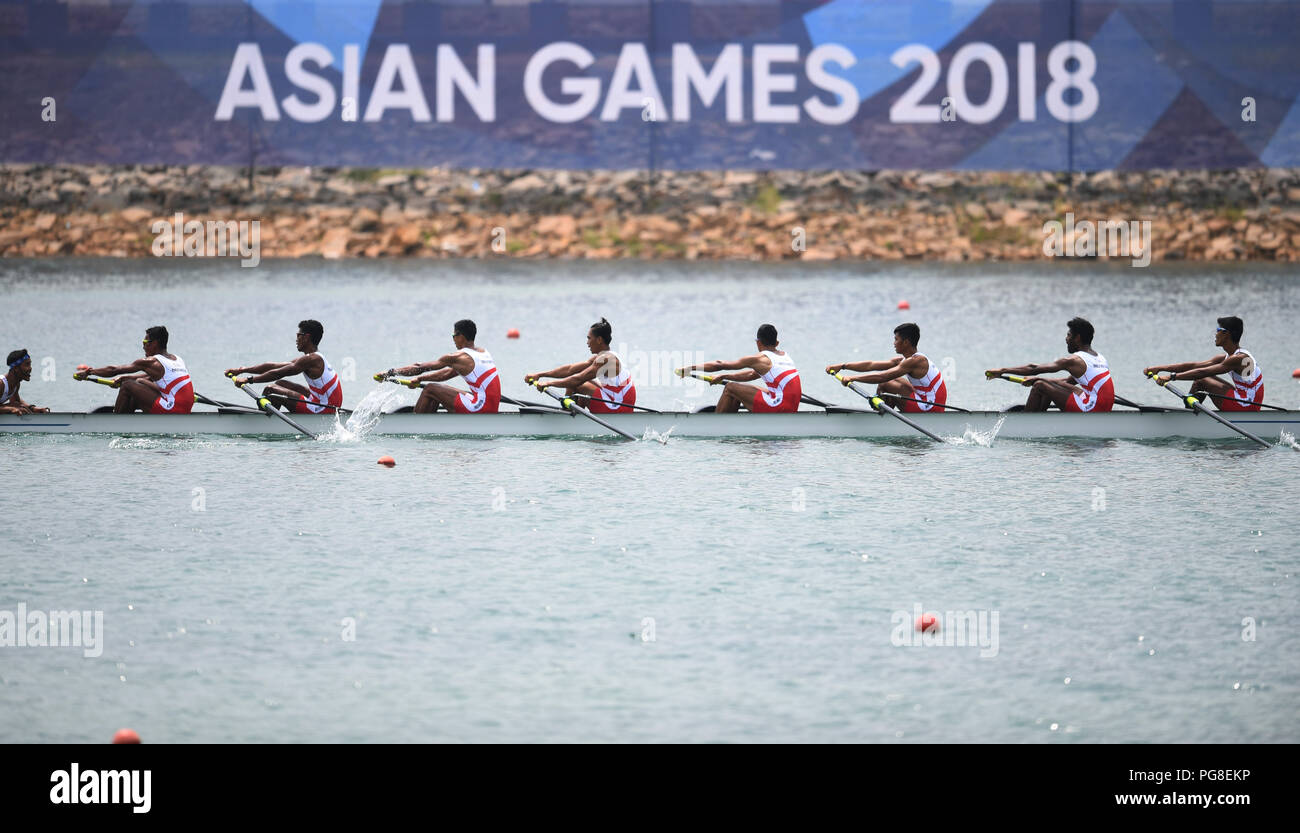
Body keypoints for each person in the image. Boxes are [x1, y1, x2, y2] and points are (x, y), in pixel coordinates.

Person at [986, 317, 1114, 412]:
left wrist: (1002, 370)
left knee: (1040, 386)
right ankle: (1039, 418)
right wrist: (1042, 379)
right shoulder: (1100, 358)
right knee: (1046, 383)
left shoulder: (1074, 360)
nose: (1066, 338)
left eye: (1069, 335)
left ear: (1078, 338)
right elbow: (1067, 381)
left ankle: (1027, 423)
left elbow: (1034, 368)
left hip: (1092, 406)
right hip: (1102, 404)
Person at [379, 319, 499, 414]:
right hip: (490, 407)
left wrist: (390, 372)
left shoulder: (459, 357)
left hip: (480, 408)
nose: (453, 339)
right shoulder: (483, 353)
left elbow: (419, 367)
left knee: (430, 389)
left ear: (460, 336)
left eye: (453, 336)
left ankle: (415, 425)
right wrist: (421, 379)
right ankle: (430, 422)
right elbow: (446, 373)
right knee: (438, 390)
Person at [1143, 316, 1263, 411]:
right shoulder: (1229, 357)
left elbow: (1202, 372)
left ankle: (1189, 418)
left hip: (1248, 405)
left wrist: (1171, 377)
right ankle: (1190, 414)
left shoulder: (1239, 358)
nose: (1215, 334)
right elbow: (1194, 366)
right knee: (1202, 379)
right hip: (1245, 399)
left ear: (1226, 334)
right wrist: (1159, 368)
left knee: (1202, 380)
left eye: (1218, 330)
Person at [678, 324, 801, 413]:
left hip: (779, 406)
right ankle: (730, 422)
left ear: (758, 342)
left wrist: (690, 368)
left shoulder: (759, 359)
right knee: (741, 390)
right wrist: (725, 376)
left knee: (730, 387)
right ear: (777, 343)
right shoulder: (785, 357)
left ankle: (715, 425)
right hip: (791, 407)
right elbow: (751, 375)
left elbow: (719, 364)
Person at [825, 323, 946, 412]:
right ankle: (886, 413)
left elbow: (883, 376)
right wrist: (842, 366)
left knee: (886, 384)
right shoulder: (905, 360)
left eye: (896, 339)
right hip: (925, 400)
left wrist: (853, 378)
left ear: (906, 342)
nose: (894, 343)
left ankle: (881, 416)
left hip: (931, 407)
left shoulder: (916, 361)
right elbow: (871, 365)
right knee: (897, 381)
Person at [226, 319, 342, 413]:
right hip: (320, 400)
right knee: (281, 384)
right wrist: (241, 370)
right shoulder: (311, 358)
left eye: (298, 335)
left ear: (306, 337)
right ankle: (270, 415)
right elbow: (273, 367)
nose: (296, 339)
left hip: (325, 409)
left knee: (270, 390)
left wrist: (248, 380)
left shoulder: (312, 359)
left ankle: (264, 421)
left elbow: (278, 373)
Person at [523, 317, 637, 413]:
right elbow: (570, 370)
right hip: (615, 400)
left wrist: (549, 383)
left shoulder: (606, 360)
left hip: (619, 408)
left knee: (577, 384)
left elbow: (577, 380)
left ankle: (570, 418)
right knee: (575, 380)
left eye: (589, 338)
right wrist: (540, 375)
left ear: (599, 340)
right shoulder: (603, 357)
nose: (587, 342)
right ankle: (574, 415)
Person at [74, 326, 195, 414]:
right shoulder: (177, 359)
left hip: (172, 408)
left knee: (127, 386)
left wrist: (89, 372)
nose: (143, 346)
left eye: (145, 342)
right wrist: (125, 378)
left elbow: (114, 369)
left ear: (155, 343)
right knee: (139, 384)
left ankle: (116, 422)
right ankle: (129, 418)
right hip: (184, 408)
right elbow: (148, 378)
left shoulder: (152, 362)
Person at [0, 350, 49, 414]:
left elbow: (16, 402)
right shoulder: (1, 384)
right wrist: (12, 409)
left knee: (17, 405)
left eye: (30, 364)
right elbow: (13, 406)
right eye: (27, 364)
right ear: (16, 368)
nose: (30, 368)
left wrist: (33, 409)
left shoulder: (16, 384)